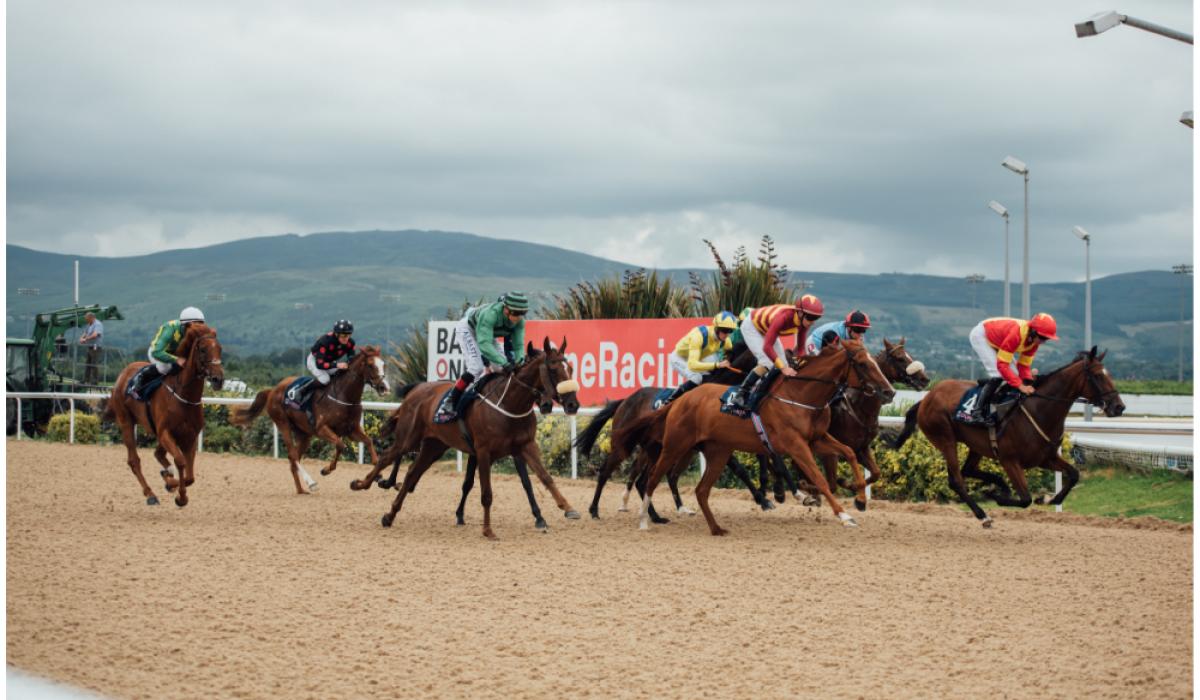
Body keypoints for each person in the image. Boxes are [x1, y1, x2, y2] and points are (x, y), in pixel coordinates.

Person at [434, 291, 529, 423]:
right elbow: (484, 345)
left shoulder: (519, 322)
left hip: (488, 334)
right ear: (506, 310)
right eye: (516, 313)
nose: (518, 317)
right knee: (476, 367)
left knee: (501, 369)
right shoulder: (490, 314)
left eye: (522, 313)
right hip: (468, 329)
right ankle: (448, 404)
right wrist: (505, 362)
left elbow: (518, 346)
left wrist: (519, 363)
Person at [727, 294, 824, 410]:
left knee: (784, 363)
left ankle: (768, 391)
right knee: (767, 362)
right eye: (811, 318)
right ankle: (740, 394)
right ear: (800, 313)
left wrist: (802, 364)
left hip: (766, 329)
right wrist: (783, 368)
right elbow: (767, 347)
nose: (812, 322)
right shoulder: (783, 318)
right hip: (751, 326)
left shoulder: (804, 322)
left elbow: (801, 349)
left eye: (816, 318)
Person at [967, 312, 1059, 423]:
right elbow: (1002, 366)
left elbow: (1023, 366)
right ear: (1033, 331)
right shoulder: (1016, 335)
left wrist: (1028, 383)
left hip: (999, 339)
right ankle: (976, 413)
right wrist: (1021, 386)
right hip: (982, 335)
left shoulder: (1034, 343)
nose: (1043, 342)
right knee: (998, 374)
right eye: (1042, 337)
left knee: (1015, 375)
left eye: (1046, 339)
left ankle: (996, 399)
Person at [659, 311, 738, 408]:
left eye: (730, 331)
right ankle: (667, 403)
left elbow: (729, 352)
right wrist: (717, 365)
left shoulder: (726, 340)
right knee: (697, 378)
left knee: (713, 373)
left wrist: (726, 360)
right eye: (725, 330)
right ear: (716, 328)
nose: (727, 334)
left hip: (699, 355)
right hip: (680, 358)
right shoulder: (699, 336)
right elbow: (692, 365)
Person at [127, 307, 205, 401]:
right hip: (158, 352)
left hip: (176, 354)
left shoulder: (196, 334)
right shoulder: (170, 328)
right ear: (186, 324)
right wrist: (176, 359)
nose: (199, 328)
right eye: (196, 325)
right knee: (164, 368)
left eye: (201, 324)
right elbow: (157, 352)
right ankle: (142, 375)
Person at [288, 320, 357, 409]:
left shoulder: (350, 343)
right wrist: (337, 365)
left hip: (329, 361)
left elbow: (351, 357)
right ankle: (301, 391)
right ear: (336, 334)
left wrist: (348, 363)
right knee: (325, 379)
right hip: (314, 361)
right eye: (343, 335)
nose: (346, 338)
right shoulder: (325, 342)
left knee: (342, 373)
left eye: (348, 335)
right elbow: (320, 365)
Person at [805, 309, 870, 355]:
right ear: (848, 327)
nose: (860, 333)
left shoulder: (858, 335)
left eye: (863, 330)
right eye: (858, 329)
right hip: (814, 344)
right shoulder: (836, 334)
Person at [79, 311, 104, 385]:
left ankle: (95, 380)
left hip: (95, 346)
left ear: (91, 318)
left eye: (87, 319)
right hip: (90, 346)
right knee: (88, 363)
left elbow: (95, 334)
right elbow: (85, 332)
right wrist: (81, 338)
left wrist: (85, 339)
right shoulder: (90, 324)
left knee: (93, 363)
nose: (86, 320)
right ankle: (86, 379)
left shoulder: (97, 324)